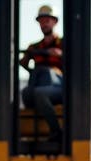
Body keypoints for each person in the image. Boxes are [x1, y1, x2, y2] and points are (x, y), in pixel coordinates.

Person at [21, 5, 63, 142]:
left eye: (47, 21)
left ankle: (56, 132)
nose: (44, 24)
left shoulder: (63, 44)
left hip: (59, 86)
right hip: (37, 82)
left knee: (40, 92)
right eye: (41, 21)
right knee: (26, 93)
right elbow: (23, 62)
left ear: (55, 22)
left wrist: (59, 55)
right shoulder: (34, 47)